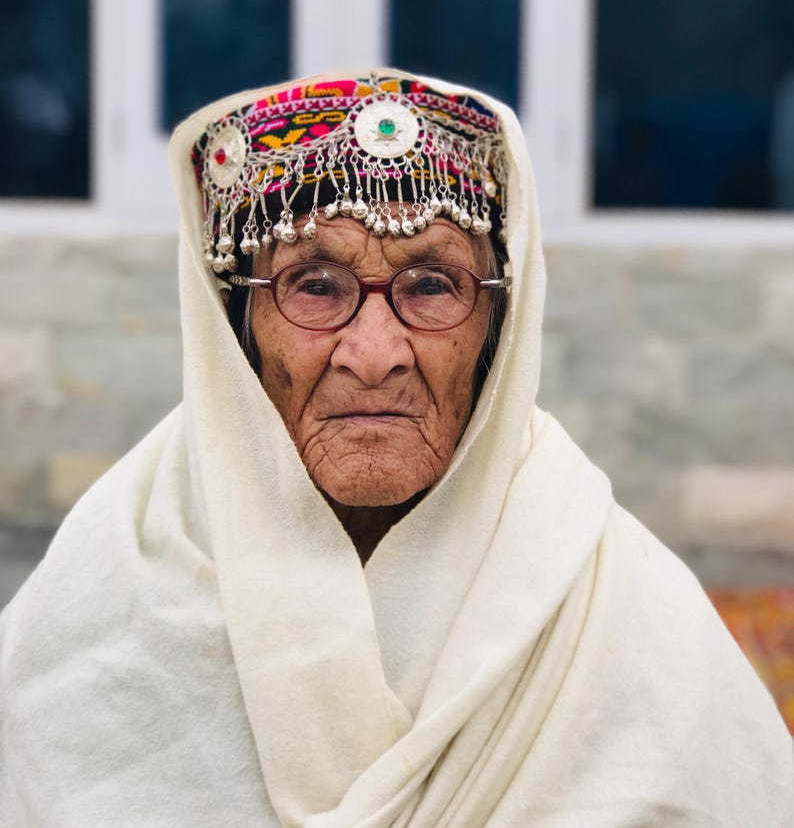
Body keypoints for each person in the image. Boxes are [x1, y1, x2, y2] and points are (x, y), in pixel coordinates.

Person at [1, 70, 791, 825]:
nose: (373, 351)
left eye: (431, 286)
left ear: (498, 333)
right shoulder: (109, 592)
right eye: (313, 285)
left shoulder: (624, 608)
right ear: (237, 331)